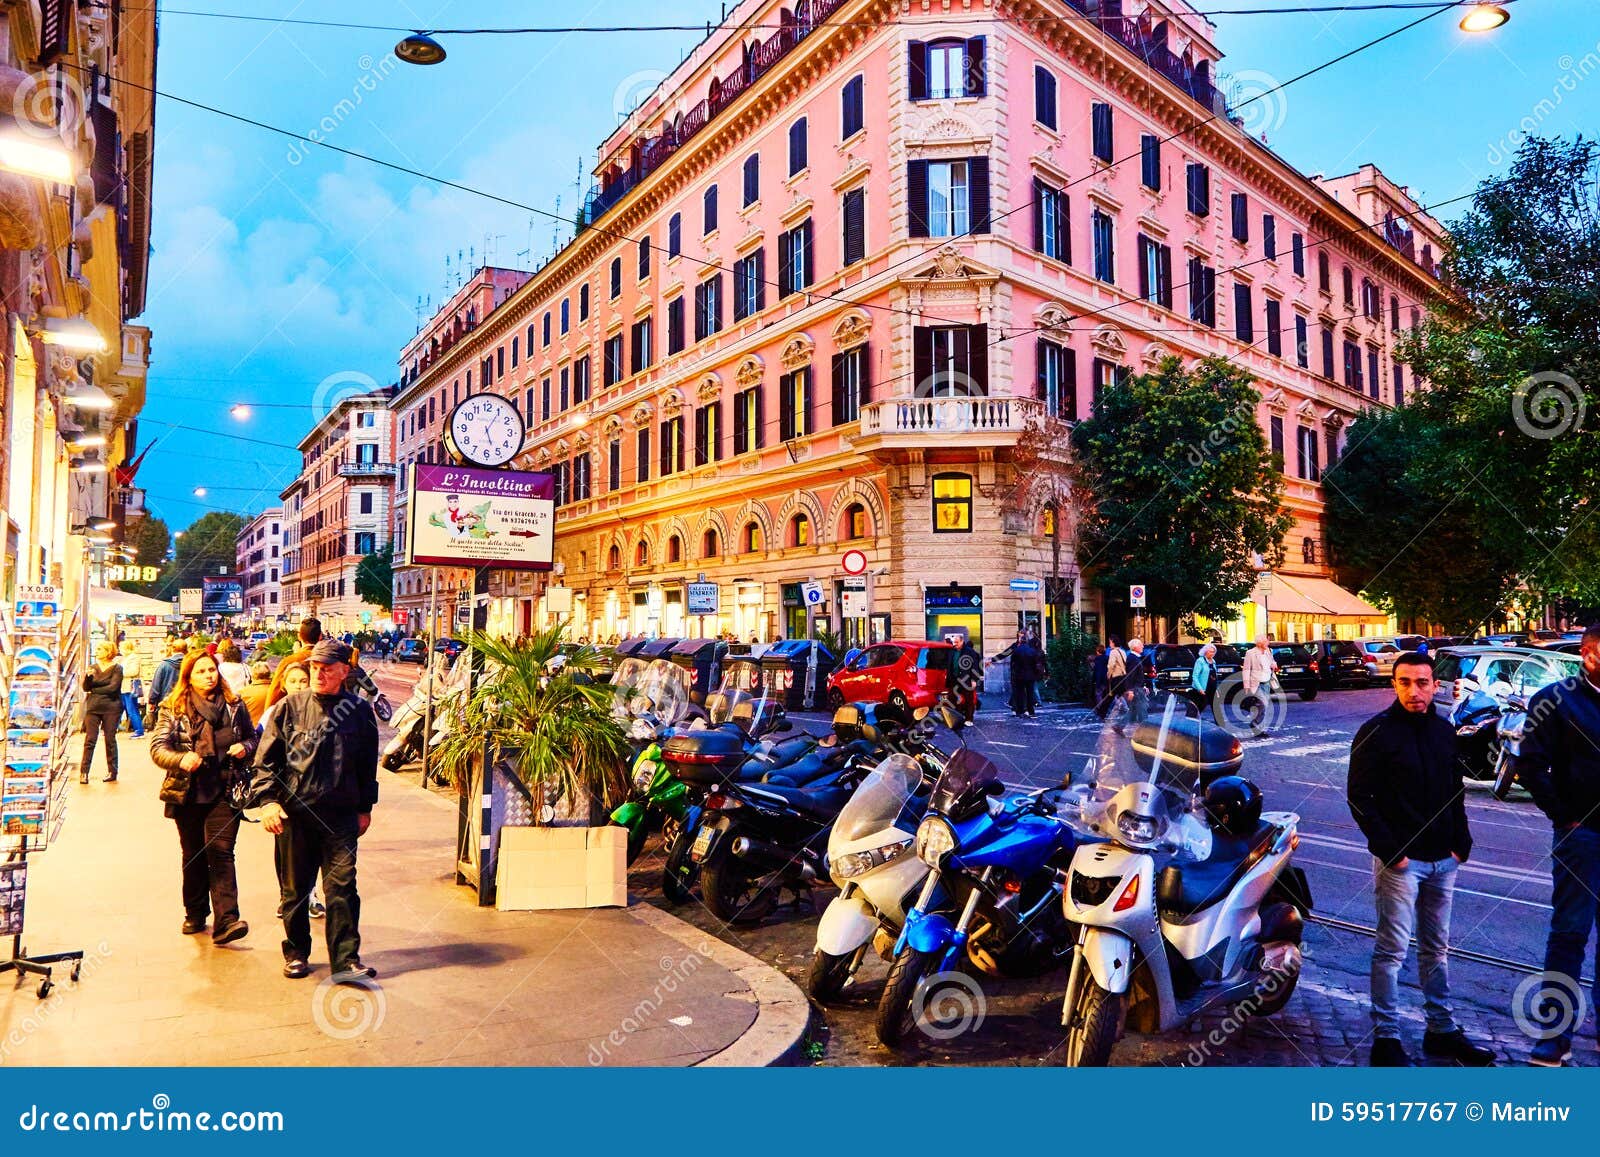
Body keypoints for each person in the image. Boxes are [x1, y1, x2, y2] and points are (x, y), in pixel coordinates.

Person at [1346, 651, 1493, 1067]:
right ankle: (1387, 1039)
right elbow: (1360, 798)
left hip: (1443, 859)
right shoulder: (1376, 732)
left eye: (1422, 682)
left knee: (1436, 949)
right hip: (1402, 863)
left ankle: (1441, 1031)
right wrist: (1392, 852)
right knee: (1391, 949)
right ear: (1394, 684)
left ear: (1435, 686)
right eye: (1405, 682)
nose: (1415, 690)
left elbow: (1455, 791)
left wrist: (1461, 843)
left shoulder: (1444, 732)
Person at [251, 640, 380, 983]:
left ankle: (346, 960)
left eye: (326, 668)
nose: (319, 674)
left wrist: (365, 807)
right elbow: (265, 763)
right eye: (314, 668)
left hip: (340, 818)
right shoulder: (288, 708)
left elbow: (368, 766)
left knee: (342, 888)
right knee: (295, 890)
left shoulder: (359, 711)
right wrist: (268, 802)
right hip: (295, 814)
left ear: (343, 671)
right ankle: (296, 952)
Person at [1510, 622, 1600, 1066]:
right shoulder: (1555, 700)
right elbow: (1529, 765)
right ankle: (1555, 1036)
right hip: (1581, 836)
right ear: (1589, 653)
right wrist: (1565, 817)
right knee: (1569, 934)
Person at [150, 650, 256, 944]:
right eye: (201, 672)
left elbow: (252, 737)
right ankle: (195, 912)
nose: (209, 675)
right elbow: (158, 748)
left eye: (212, 670)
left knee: (221, 852)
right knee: (193, 854)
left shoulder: (234, 705)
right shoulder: (174, 707)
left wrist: (246, 747)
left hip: (226, 789)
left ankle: (227, 920)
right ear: (189, 678)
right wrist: (181, 759)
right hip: (188, 792)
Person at [81, 641, 125, 784]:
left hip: (111, 708)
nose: (97, 651)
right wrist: (88, 678)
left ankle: (112, 771)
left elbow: (113, 688)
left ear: (108, 651)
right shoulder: (92, 668)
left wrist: (95, 688)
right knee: (90, 739)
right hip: (93, 707)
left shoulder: (117, 668)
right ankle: (84, 772)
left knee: (110, 739)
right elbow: (86, 687)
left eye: (100, 649)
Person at [147, 640, 187, 717]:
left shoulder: (164, 665)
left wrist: (152, 701)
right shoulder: (190, 664)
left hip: (165, 702)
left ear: (172, 649)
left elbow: (156, 685)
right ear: (185, 649)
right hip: (184, 703)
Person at [1007, 630, 1040, 718]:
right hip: (1030, 675)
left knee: (1020, 692)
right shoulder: (1032, 650)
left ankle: (1020, 710)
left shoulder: (1016, 650)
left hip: (1019, 675)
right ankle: (1031, 711)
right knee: (1030, 693)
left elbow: (1013, 662)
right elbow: (1036, 664)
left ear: (1021, 639)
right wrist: (1036, 674)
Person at [118, 640, 146, 738]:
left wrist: (119, 673)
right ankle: (118, 726)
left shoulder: (133, 658)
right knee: (127, 708)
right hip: (124, 687)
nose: (119, 649)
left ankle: (139, 731)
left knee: (132, 709)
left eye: (120, 647)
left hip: (129, 687)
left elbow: (133, 671)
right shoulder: (126, 658)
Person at [239, 661, 274, 727]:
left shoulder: (244, 692)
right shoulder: (276, 691)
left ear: (253, 675)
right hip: (271, 729)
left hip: (252, 729)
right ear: (269, 674)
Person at [1189, 643, 1218, 718]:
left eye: (1213, 652)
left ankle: (1220, 723)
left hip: (1212, 688)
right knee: (1199, 706)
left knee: (1216, 707)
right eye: (1210, 651)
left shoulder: (1213, 661)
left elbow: (1215, 676)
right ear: (1205, 651)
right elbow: (1195, 676)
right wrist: (1200, 689)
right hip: (1202, 689)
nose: (1212, 653)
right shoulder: (1200, 661)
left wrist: (1216, 688)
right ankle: (1190, 720)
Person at [1090, 644, 1109, 717]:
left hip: (1099, 679)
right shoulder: (1107, 658)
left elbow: (1097, 671)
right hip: (1106, 678)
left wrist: (1094, 680)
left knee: (1098, 694)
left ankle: (1100, 708)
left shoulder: (1097, 659)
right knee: (1108, 694)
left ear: (1098, 651)